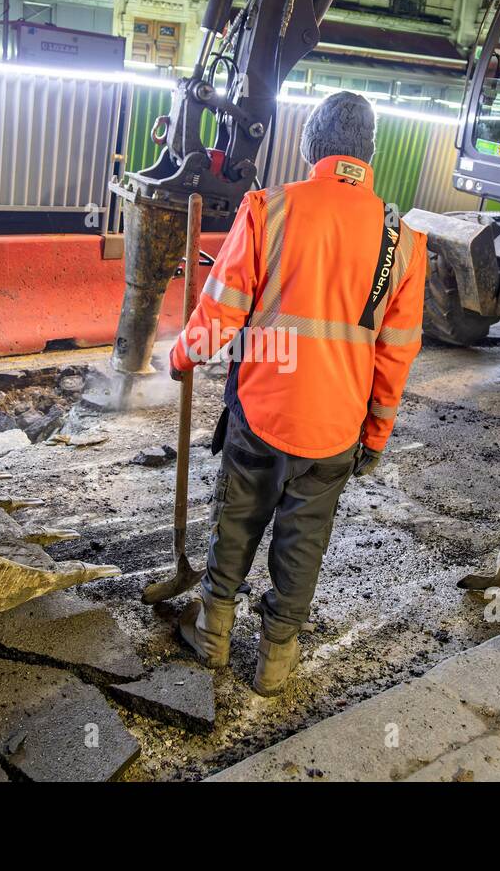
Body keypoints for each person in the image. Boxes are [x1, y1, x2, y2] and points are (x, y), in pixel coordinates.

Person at [167, 91, 426, 696]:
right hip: (336, 428)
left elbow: (222, 314)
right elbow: (397, 354)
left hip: (261, 410)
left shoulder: (270, 207)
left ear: (311, 148)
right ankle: (276, 661)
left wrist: (181, 356)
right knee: (304, 536)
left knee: (236, 517)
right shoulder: (403, 241)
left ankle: (212, 634)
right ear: (369, 154)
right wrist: (376, 435)